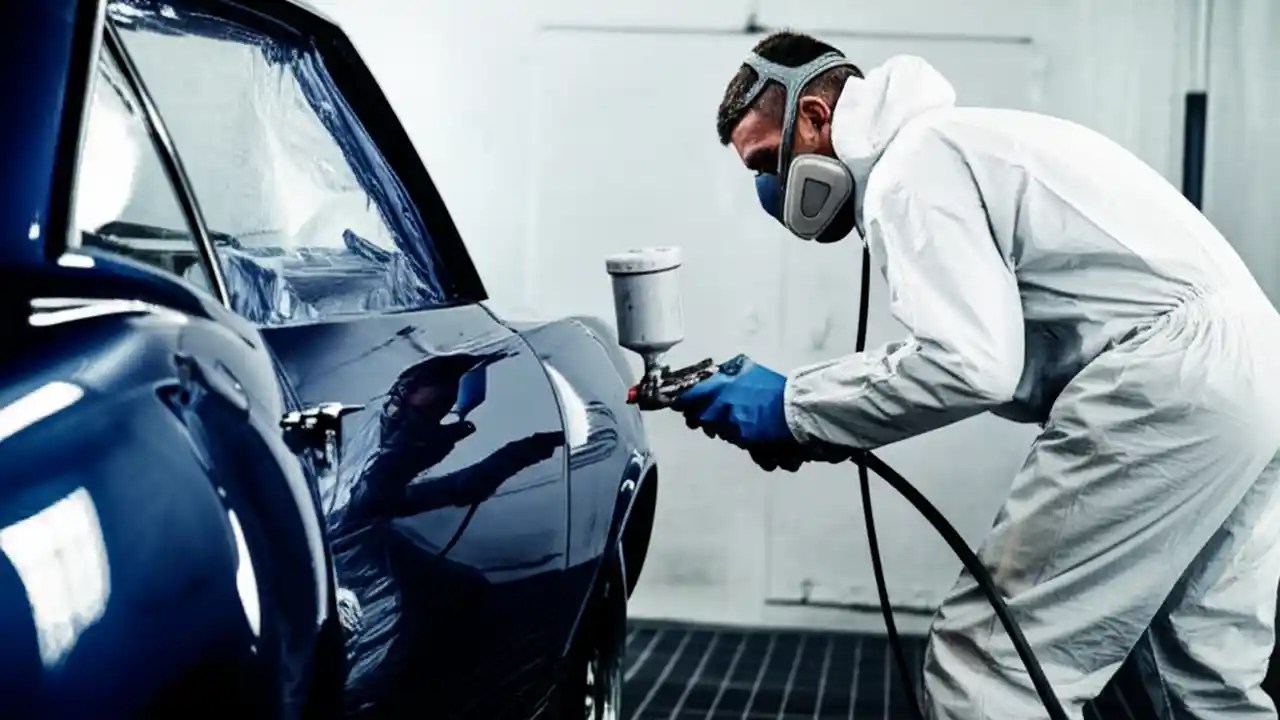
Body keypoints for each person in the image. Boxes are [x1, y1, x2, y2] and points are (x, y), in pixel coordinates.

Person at [673, 30, 1280, 719]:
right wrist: (806, 408)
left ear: (815, 117)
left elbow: (972, 365)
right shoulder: (959, 142)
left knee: (988, 669)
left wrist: (793, 406)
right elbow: (1006, 358)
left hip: (1170, 381)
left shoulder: (911, 167)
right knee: (1198, 673)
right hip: (1252, 370)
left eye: (765, 162)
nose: (770, 190)